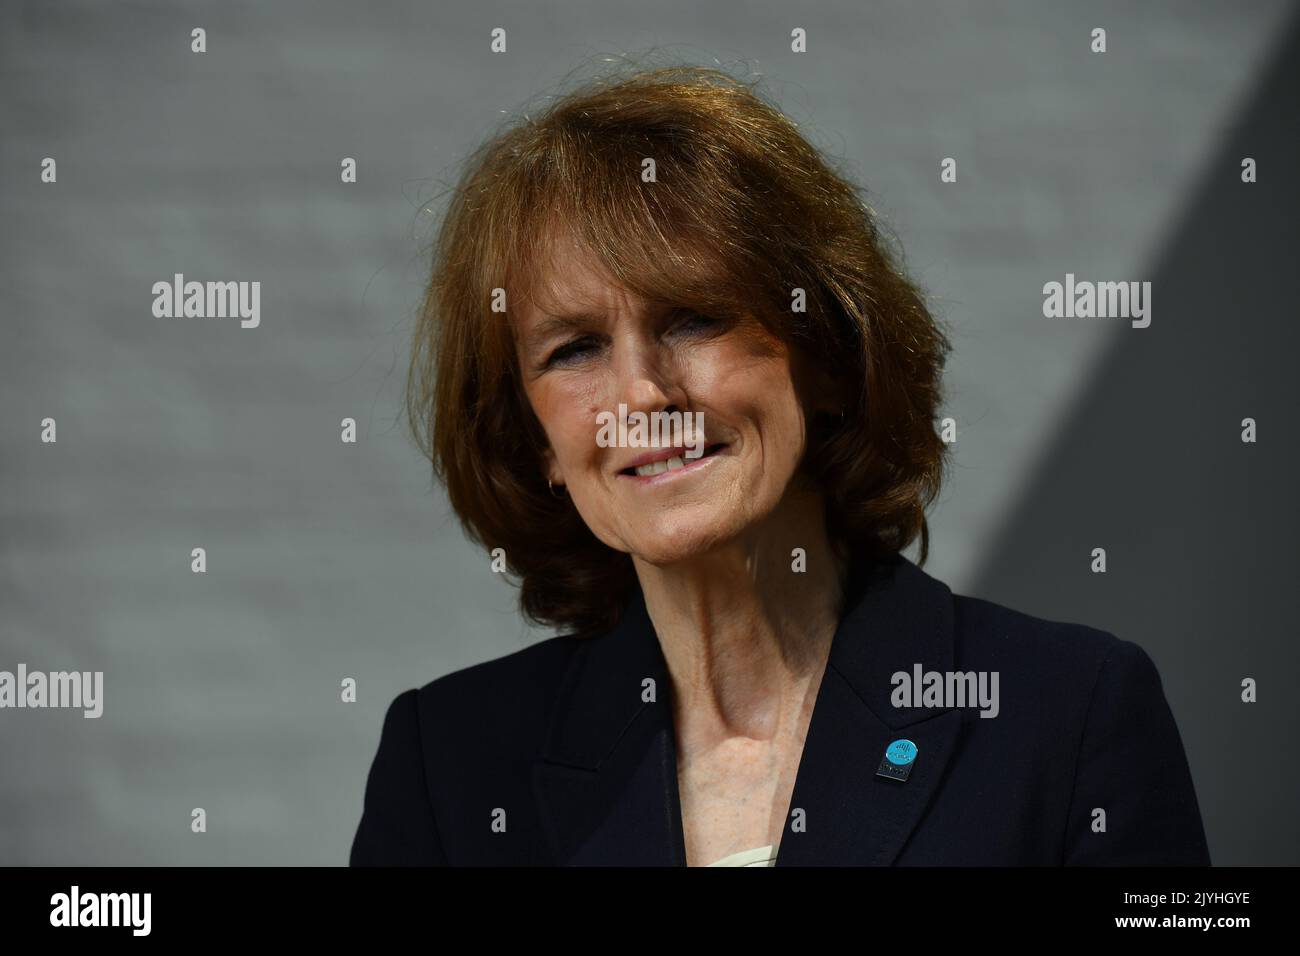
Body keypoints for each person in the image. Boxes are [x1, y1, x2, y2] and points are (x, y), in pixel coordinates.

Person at [349, 64, 1210, 866]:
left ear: (827, 356)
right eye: (575, 349)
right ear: (538, 444)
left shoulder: (1068, 712)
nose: (643, 394)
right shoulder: (450, 766)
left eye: (693, 318)